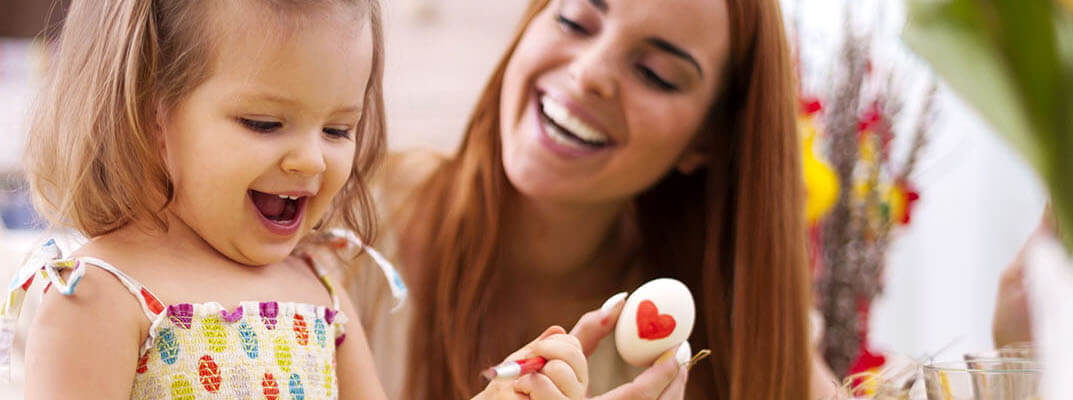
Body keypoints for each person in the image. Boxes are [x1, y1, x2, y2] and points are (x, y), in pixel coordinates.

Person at [333, 0, 837, 398]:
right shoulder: (338, 221)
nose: (589, 73)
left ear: (709, 139)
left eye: (656, 73)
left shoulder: (728, 325)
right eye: (575, 19)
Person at [0, 0, 391, 398]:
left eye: (338, 130)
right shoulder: (100, 294)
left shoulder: (322, 293)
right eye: (264, 124)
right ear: (148, 114)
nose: (311, 160)